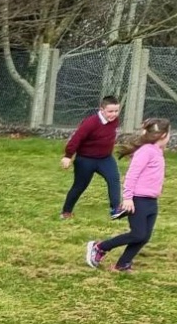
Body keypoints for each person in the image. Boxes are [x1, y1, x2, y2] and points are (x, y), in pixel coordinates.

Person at [86, 118, 170, 273]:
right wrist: (128, 198)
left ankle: (123, 264)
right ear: (163, 135)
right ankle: (99, 247)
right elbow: (132, 175)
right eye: (169, 133)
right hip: (138, 200)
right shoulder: (145, 151)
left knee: (144, 237)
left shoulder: (157, 151)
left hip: (151, 201)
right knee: (137, 234)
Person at [60, 97, 126, 221]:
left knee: (114, 179)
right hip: (86, 160)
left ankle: (115, 210)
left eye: (116, 111)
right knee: (80, 185)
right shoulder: (90, 123)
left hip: (105, 159)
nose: (114, 114)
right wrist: (68, 156)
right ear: (101, 110)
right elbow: (76, 139)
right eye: (110, 111)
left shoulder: (115, 120)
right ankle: (66, 212)